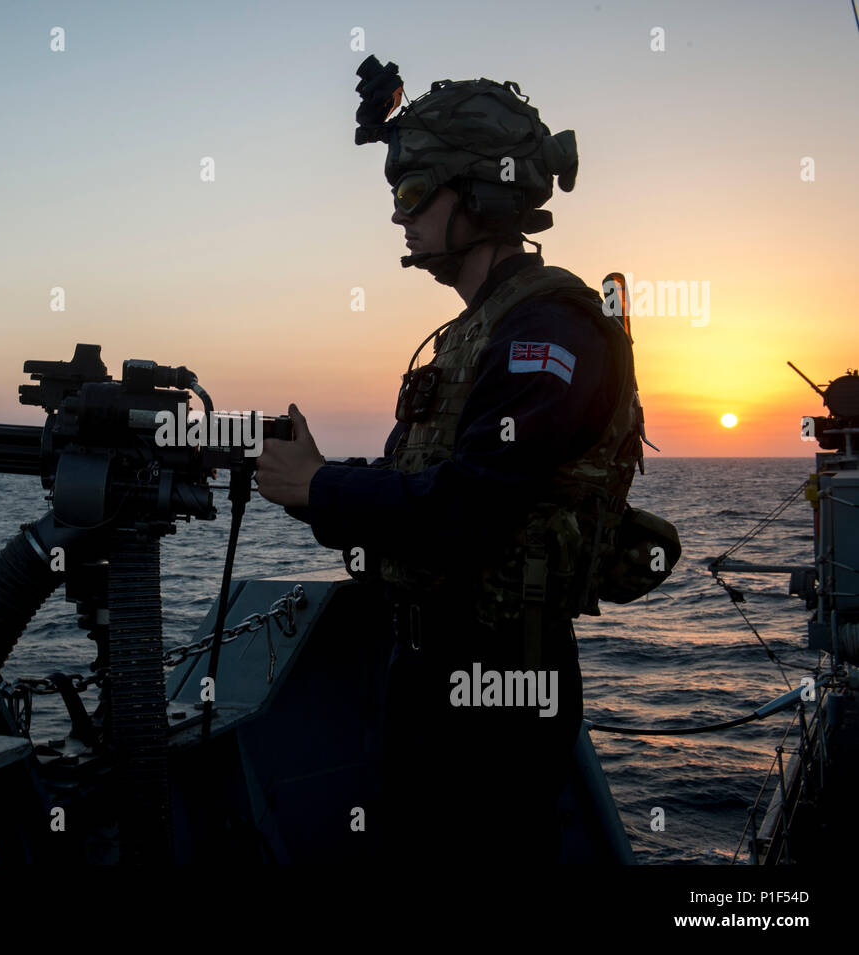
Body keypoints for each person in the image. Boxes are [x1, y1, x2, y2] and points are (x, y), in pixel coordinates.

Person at [255, 58, 646, 862]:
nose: (398, 218)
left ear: (479, 197)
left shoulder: (549, 332)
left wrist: (322, 487)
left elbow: (466, 509)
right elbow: (423, 480)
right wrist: (312, 479)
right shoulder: (482, 328)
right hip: (438, 671)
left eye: (412, 195)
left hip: (498, 689)